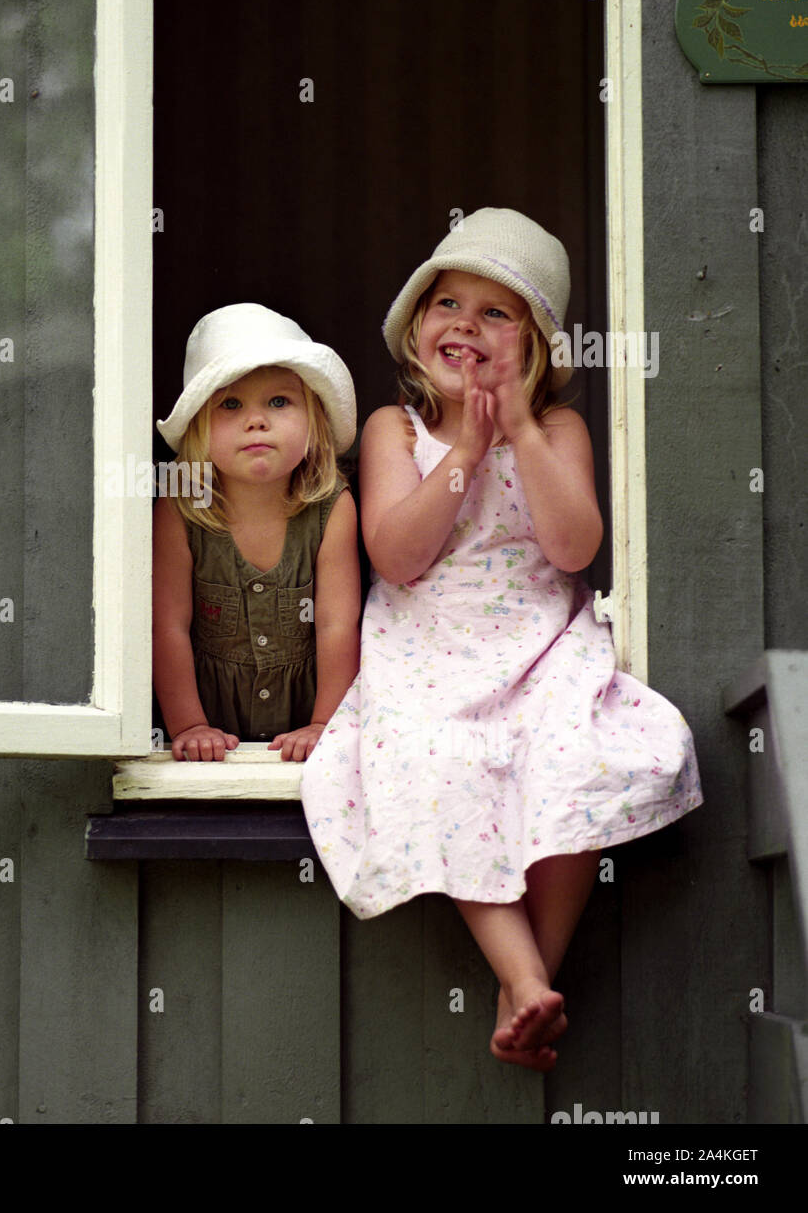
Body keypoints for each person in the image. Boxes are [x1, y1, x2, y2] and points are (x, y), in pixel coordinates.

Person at [300, 209, 702, 1070]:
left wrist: (515, 429)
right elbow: (396, 559)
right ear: (418, 326)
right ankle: (523, 979)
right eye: (449, 303)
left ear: (537, 347)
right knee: (433, 763)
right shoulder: (391, 431)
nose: (466, 327)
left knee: (578, 757)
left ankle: (525, 983)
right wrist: (468, 449)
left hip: (539, 649)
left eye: (496, 313)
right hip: (426, 651)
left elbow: (573, 549)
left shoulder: (557, 432)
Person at [153, 304, 362, 763]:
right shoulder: (180, 507)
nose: (256, 420)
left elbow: (337, 624)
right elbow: (168, 625)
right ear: (198, 428)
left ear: (314, 422)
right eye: (231, 404)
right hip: (207, 721)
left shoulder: (332, 508)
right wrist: (187, 725)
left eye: (278, 402)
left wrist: (326, 723)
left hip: (306, 718)